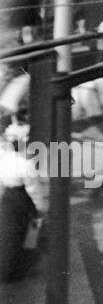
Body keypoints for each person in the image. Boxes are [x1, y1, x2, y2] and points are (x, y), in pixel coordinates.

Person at [0, 120, 46, 283]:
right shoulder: (25, 163)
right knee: (29, 229)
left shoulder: (3, 159)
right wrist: (40, 207)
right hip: (21, 198)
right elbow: (33, 189)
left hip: (6, 198)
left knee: (7, 234)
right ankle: (23, 262)